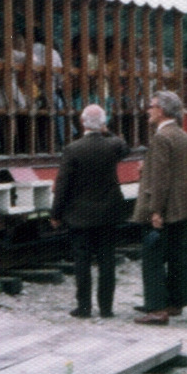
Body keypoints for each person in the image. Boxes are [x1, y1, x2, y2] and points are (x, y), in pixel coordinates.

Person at [133, 90, 187, 325]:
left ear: (162, 110)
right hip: (184, 206)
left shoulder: (161, 138)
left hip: (165, 208)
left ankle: (157, 309)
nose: (148, 110)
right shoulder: (186, 137)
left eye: (151, 106)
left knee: (152, 256)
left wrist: (155, 210)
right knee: (180, 256)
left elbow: (161, 179)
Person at [50, 104, 127, 318]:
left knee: (82, 262)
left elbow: (63, 184)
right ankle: (106, 308)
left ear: (82, 122)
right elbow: (124, 146)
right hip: (107, 214)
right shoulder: (113, 146)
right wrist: (106, 130)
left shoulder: (72, 149)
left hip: (79, 215)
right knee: (107, 261)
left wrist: (55, 214)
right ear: (103, 124)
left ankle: (84, 307)